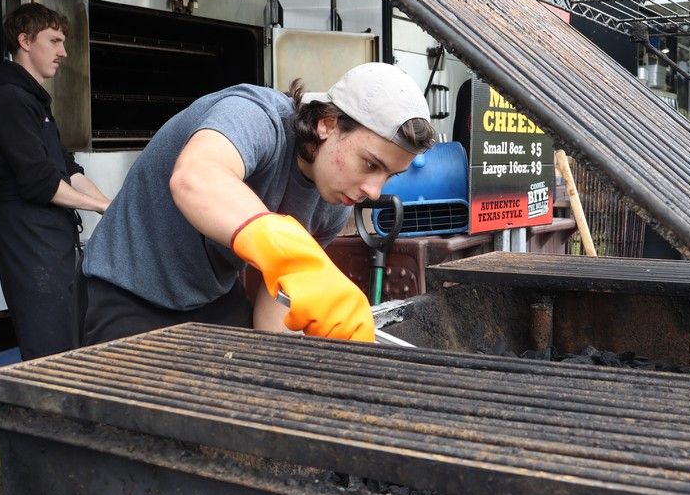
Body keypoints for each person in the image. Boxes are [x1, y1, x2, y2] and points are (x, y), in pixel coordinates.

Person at [82, 62, 436, 345]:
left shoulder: (334, 201)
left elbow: (277, 301)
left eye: (389, 176)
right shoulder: (255, 114)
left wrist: (290, 363)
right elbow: (195, 177)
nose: (373, 191)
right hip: (128, 290)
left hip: (212, 296)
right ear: (328, 124)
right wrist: (294, 256)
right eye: (371, 164)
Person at [0, 3, 111, 360]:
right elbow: (40, 182)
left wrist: (111, 205)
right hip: (28, 238)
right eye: (54, 41)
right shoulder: (8, 99)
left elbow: (66, 168)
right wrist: (99, 207)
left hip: (49, 239)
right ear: (25, 41)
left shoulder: (32, 99)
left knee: (70, 341)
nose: (63, 52)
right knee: (49, 350)